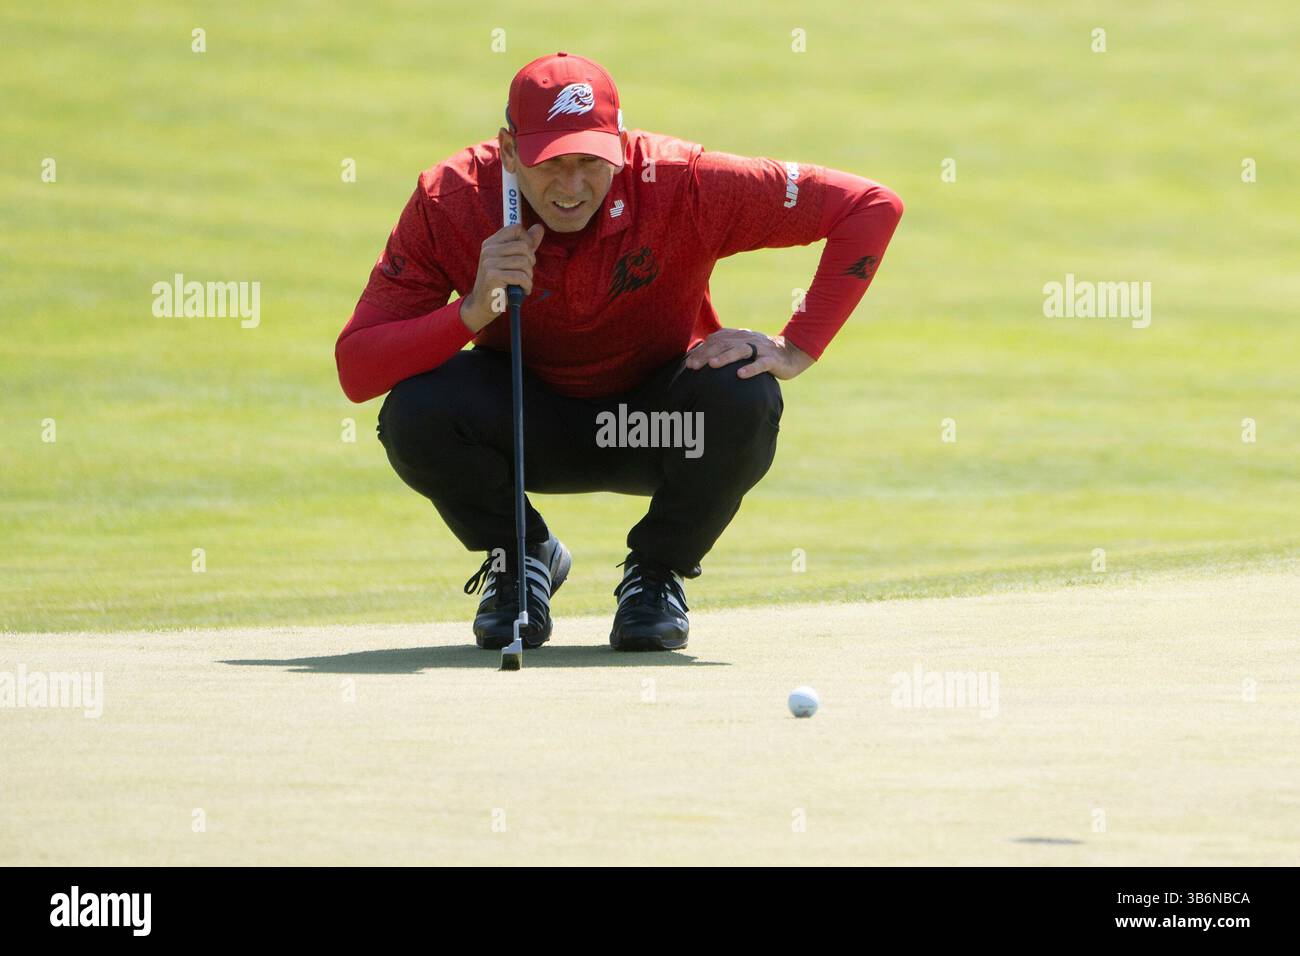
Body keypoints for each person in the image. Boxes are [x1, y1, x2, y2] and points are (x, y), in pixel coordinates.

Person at [335, 51, 903, 653]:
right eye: (550, 163)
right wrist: (471, 310)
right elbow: (357, 368)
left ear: (620, 143)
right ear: (507, 150)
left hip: (652, 425)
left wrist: (797, 346)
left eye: (591, 161)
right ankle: (521, 558)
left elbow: (869, 205)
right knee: (416, 410)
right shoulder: (452, 199)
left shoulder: (681, 181)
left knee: (745, 388)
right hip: (528, 427)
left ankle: (655, 576)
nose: (573, 187)